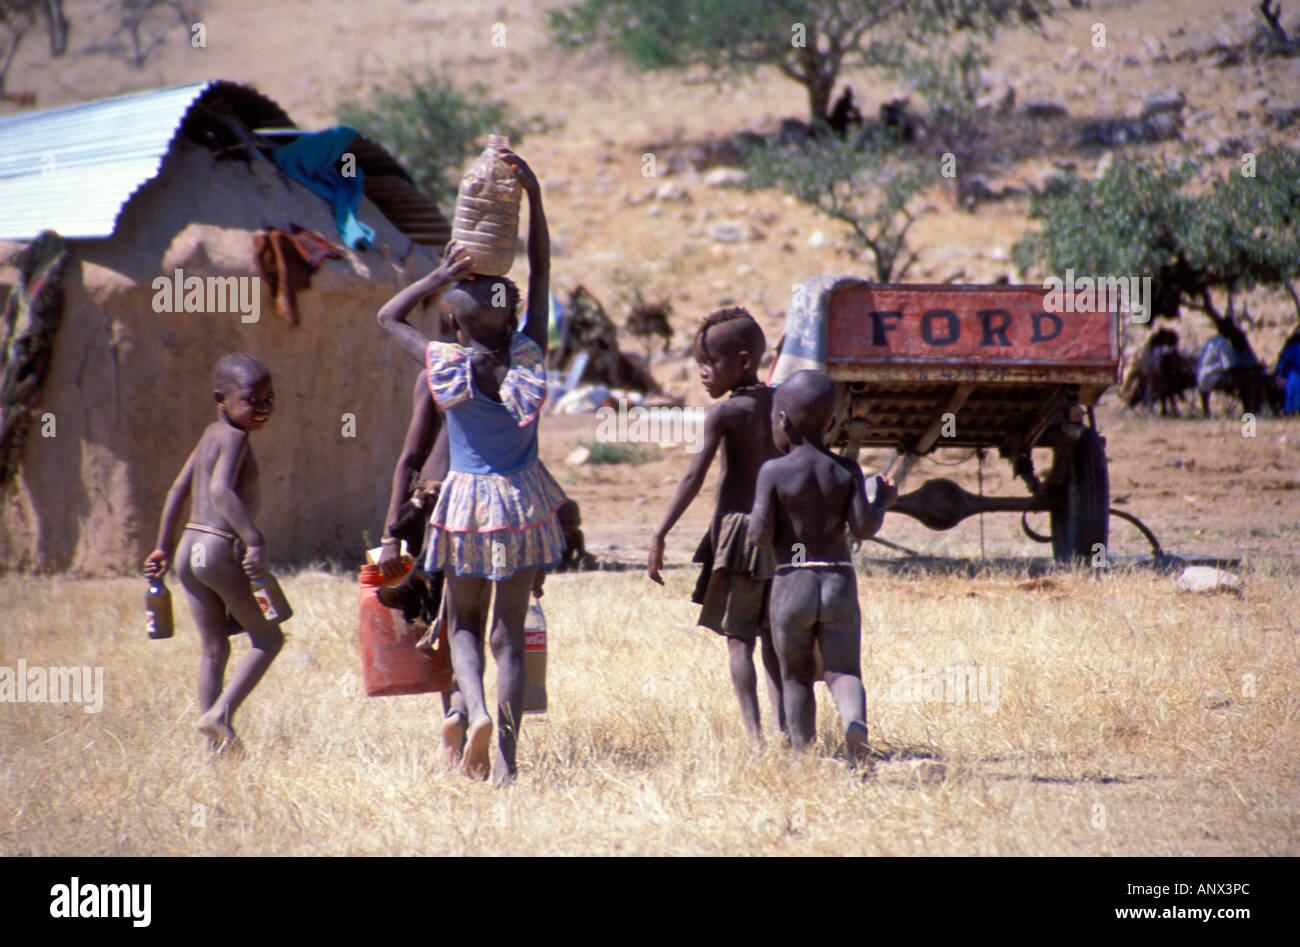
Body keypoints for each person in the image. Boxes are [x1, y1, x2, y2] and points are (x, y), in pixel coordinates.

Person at [377, 149, 565, 784]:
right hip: (520, 505)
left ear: (454, 319)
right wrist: (534, 197)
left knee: (463, 625)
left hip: (464, 504)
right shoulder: (529, 352)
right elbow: (540, 268)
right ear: (512, 313)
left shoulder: (444, 360)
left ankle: (474, 708)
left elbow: (386, 317)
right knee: (509, 633)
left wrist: (435, 278)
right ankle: (508, 766)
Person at [647, 307, 785, 744]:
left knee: (739, 639)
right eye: (698, 364)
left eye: (711, 364)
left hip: (740, 536)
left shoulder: (725, 414)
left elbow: (694, 476)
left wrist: (660, 533)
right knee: (777, 639)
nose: (703, 374)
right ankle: (788, 730)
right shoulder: (784, 404)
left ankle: (755, 738)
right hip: (781, 533)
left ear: (743, 362)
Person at [747, 370, 897, 767]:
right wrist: (882, 500)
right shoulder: (847, 470)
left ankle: (804, 755)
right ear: (831, 423)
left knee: (795, 676)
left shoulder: (772, 472)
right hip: (837, 579)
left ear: (782, 421)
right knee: (843, 670)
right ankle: (855, 724)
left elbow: (760, 535)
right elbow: (864, 527)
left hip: (792, 583)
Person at [142, 353, 283, 753]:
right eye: (253, 400)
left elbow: (177, 490)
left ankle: (213, 747)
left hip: (189, 550)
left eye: (270, 399)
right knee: (268, 639)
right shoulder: (235, 439)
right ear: (221, 398)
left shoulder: (209, 434)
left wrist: (163, 546)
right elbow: (221, 490)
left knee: (214, 649)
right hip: (218, 548)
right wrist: (253, 539)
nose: (263, 408)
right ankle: (219, 715)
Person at [1274, 328, 1300, 415]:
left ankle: (1289, 409)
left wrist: (1280, 375)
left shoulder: (1291, 350)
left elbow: (1282, 368)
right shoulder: (1292, 350)